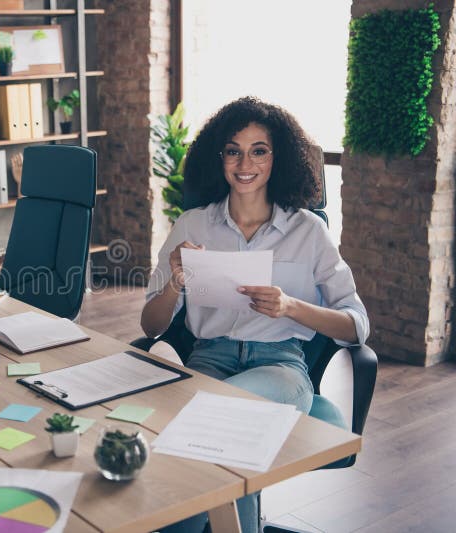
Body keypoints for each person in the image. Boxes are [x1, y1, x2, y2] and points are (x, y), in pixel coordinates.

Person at [141, 96, 369, 533]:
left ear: (276, 158)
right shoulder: (192, 225)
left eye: (259, 150)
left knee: (212, 427)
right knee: (215, 441)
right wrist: (175, 282)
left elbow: (357, 326)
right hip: (207, 362)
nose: (245, 162)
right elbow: (150, 325)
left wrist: (291, 307)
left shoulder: (308, 231)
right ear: (219, 157)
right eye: (233, 150)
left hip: (280, 367)